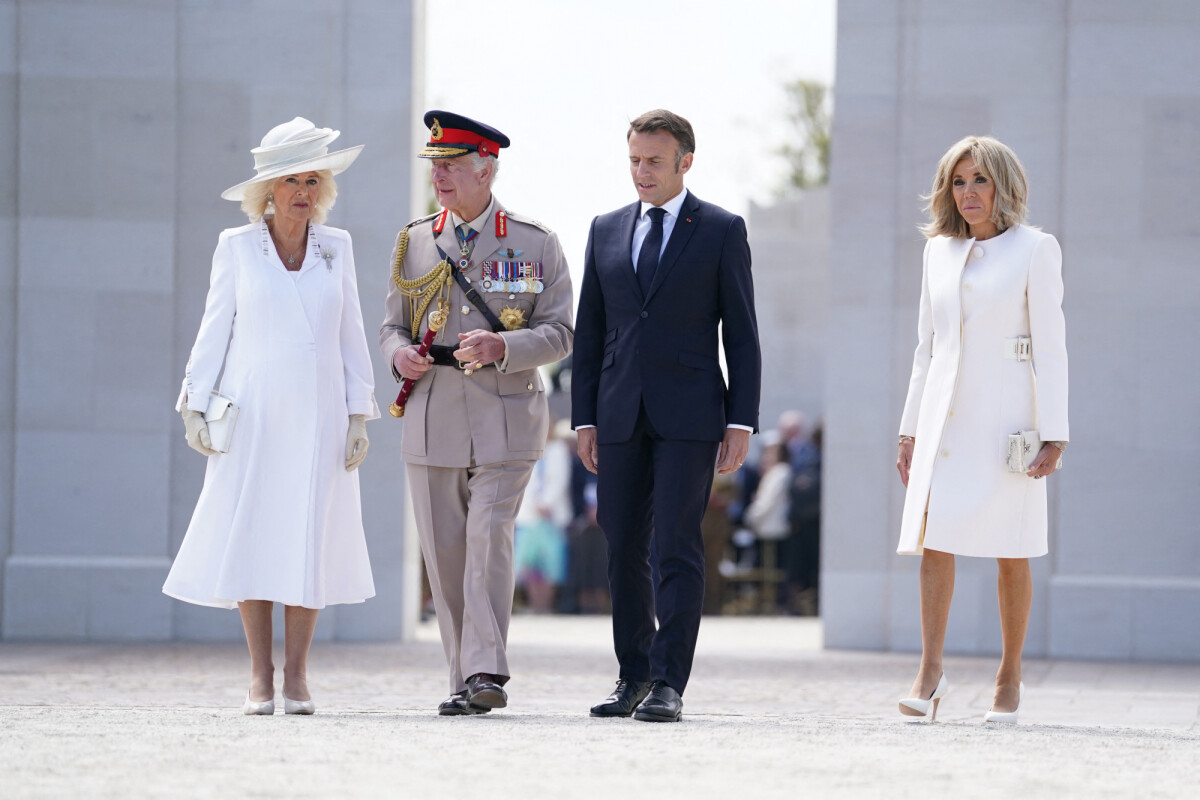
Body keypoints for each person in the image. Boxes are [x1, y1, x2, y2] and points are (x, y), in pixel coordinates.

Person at [164, 117, 378, 716]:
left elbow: (351, 333)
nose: (303, 191)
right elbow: (215, 329)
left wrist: (358, 414)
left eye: (313, 180)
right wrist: (194, 404)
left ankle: (299, 676)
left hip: (320, 418)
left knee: (308, 538)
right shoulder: (236, 247)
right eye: (291, 180)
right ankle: (260, 676)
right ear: (268, 189)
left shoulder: (338, 247)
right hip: (254, 416)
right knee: (253, 535)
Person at [380, 111, 574, 716]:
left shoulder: (535, 241)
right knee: (445, 552)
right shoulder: (414, 241)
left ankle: (486, 669)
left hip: (506, 412)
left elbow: (562, 332)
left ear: (486, 171)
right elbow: (391, 326)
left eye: (452, 167)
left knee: (488, 536)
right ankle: (462, 678)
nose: (438, 177)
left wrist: (503, 347)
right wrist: (398, 356)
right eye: (434, 166)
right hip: (432, 411)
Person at [572, 109, 761, 722]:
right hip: (617, 413)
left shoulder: (722, 229)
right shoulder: (604, 228)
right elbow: (590, 330)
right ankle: (632, 675)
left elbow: (742, 334)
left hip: (691, 415)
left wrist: (741, 421)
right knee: (621, 545)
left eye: (653, 161)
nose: (641, 171)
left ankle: (668, 683)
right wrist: (583, 419)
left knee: (677, 545)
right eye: (634, 160)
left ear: (685, 162)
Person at [895, 135, 1068, 724]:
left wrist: (1055, 433)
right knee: (935, 541)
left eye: (979, 180)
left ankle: (1009, 676)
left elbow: (1052, 347)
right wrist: (908, 431)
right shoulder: (937, 253)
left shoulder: (1035, 249)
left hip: (1008, 424)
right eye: (958, 181)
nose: (967, 193)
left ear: (1003, 186)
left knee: (1010, 549)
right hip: (943, 423)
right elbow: (926, 348)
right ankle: (930, 673)